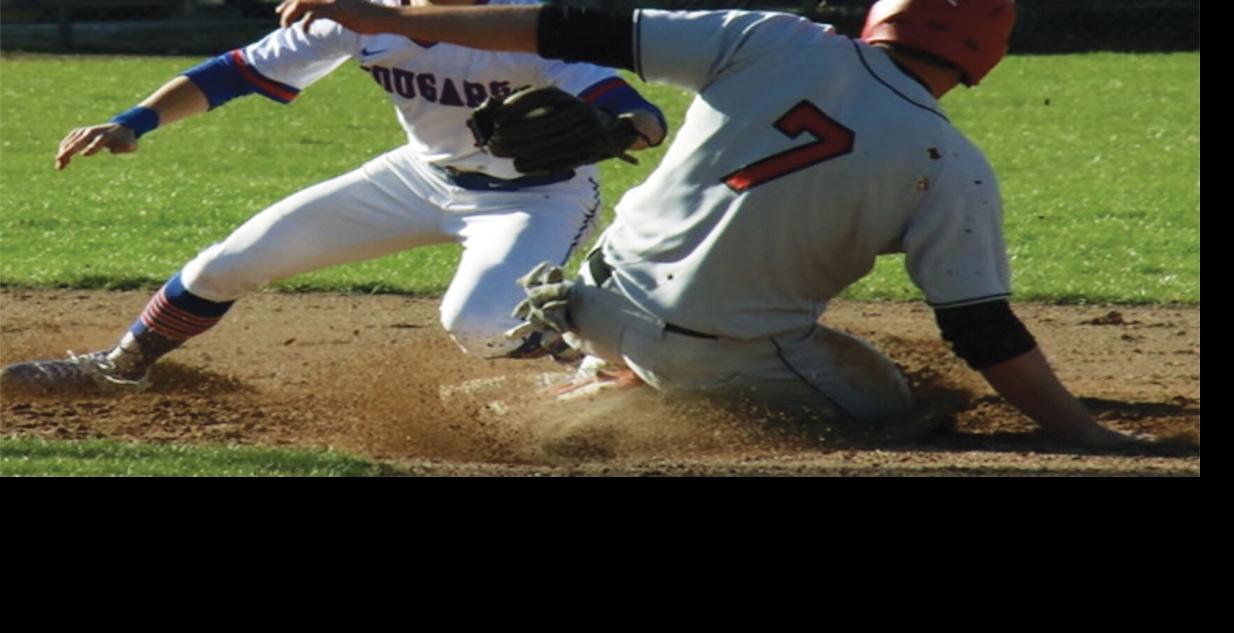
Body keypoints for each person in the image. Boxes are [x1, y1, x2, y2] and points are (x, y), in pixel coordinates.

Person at [272, 0, 1143, 449]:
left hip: (588, 302)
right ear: (985, 59)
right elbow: (980, 328)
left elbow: (573, 23)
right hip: (708, 348)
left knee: (682, 327)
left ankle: (592, 377)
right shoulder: (950, 163)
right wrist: (1078, 431)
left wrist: (395, 19)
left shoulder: (771, 37)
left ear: (880, 19)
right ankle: (615, 404)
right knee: (897, 403)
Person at [1, 0, 666, 393]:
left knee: (480, 324)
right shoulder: (361, 18)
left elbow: (640, 114)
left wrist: (627, 128)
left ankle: (605, 369)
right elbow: (233, 72)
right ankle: (120, 368)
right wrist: (133, 122)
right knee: (228, 263)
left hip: (535, 197)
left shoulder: (527, 26)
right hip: (420, 175)